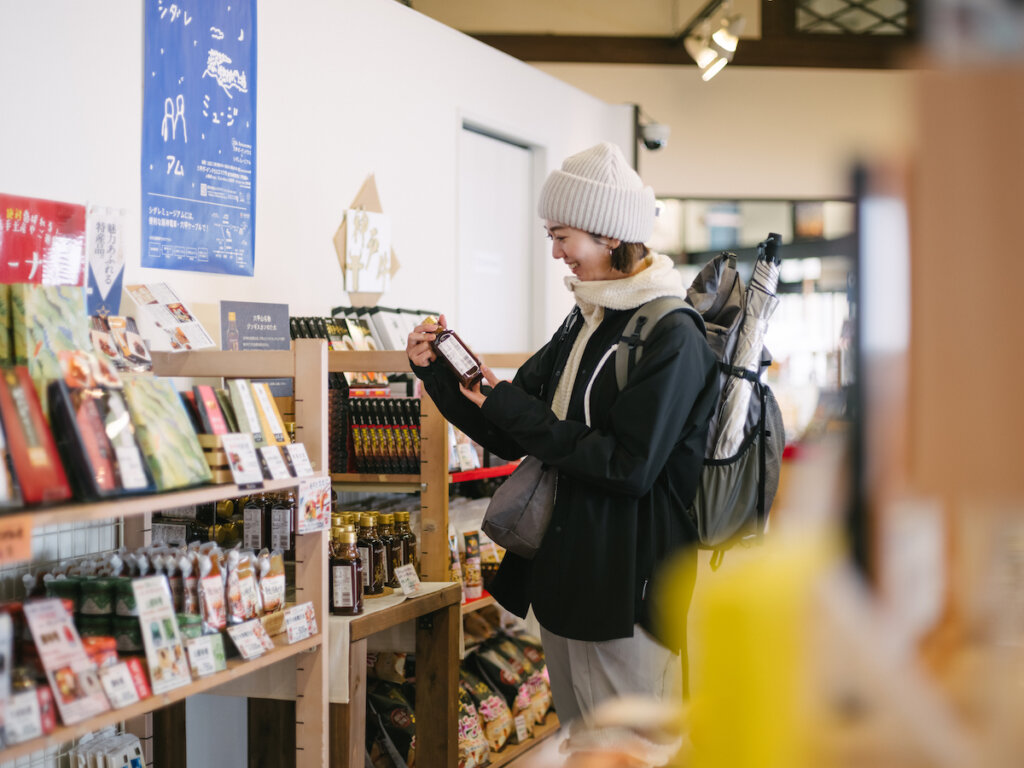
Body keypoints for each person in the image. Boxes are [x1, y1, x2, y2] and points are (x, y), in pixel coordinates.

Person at [407, 141, 719, 725]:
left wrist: (509, 405)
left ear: (607, 234)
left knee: (628, 752)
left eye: (562, 236)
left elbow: (629, 466)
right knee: (583, 745)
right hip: (564, 572)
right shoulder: (586, 317)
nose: (556, 253)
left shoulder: (673, 334)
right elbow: (512, 428)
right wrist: (440, 376)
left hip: (628, 586)